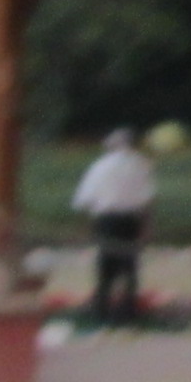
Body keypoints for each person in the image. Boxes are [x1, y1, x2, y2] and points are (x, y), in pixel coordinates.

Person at [73, 129, 157, 325]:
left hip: (105, 220)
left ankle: (101, 309)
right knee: (130, 265)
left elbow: (86, 199)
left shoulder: (99, 166)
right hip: (130, 220)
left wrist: (86, 226)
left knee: (105, 266)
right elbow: (148, 199)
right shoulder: (140, 164)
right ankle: (128, 310)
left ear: (109, 146)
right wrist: (147, 226)